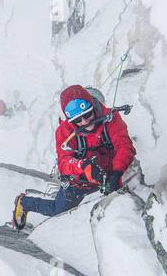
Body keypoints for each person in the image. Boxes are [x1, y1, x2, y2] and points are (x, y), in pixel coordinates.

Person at [11, 84, 137, 230]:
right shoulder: (64, 132)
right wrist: (83, 166)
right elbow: (64, 163)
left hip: (110, 172)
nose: (85, 122)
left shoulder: (111, 118)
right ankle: (24, 202)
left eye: (88, 115)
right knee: (57, 210)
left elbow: (124, 145)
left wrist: (116, 173)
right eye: (78, 120)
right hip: (80, 181)